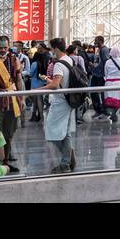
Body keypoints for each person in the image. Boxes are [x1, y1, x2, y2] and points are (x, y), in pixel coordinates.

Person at [0, 35, 24, 160]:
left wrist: (21, 98)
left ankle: (7, 152)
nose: (2, 50)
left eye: (5, 47)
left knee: (10, 129)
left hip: (12, 99)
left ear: (8, 47)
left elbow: (18, 80)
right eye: (0, 47)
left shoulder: (13, 60)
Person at [43, 38, 78, 173]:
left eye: (51, 49)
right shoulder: (69, 59)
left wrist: (37, 90)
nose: (51, 51)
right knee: (65, 132)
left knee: (52, 132)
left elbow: (55, 85)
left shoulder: (58, 64)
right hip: (68, 101)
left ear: (56, 49)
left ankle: (66, 160)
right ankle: (66, 160)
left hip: (60, 102)